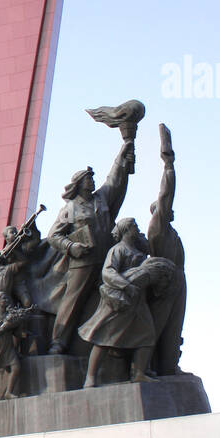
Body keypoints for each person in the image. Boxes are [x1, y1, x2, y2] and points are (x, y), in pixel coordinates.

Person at [44, 138, 135, 353]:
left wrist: (125, 148)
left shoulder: (101, 198)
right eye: (88, 179)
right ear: (79, 183)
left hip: (106, 259)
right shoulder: (71, 208)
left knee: (108, 300)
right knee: (73, 301)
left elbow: (114, 179)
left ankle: (111, 345)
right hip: (82, 261)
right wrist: (71, 247)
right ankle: (58, 341)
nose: (92, 182)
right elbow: (53, 236)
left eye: (93, 179)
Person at [78, 218, 178, 388]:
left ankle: (138, 373)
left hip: (138, 302)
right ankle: (91, 378)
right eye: (134, 227)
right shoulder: (118, 249)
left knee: (148, 336)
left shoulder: (139, 252)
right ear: (126, 230)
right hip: (119, 300)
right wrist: (126, 285)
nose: (137, 230)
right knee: (104, 337)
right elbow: (108, 272)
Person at [147, 123, 186, 375]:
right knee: (158, 327)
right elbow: (165, 196)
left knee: (174, 329)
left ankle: (169, 366)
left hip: (179, 281)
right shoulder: (158, 228)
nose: (170, 209)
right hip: (164, 283)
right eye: (164, 209)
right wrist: (168, 165)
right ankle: (145, 366)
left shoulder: (171, 232)